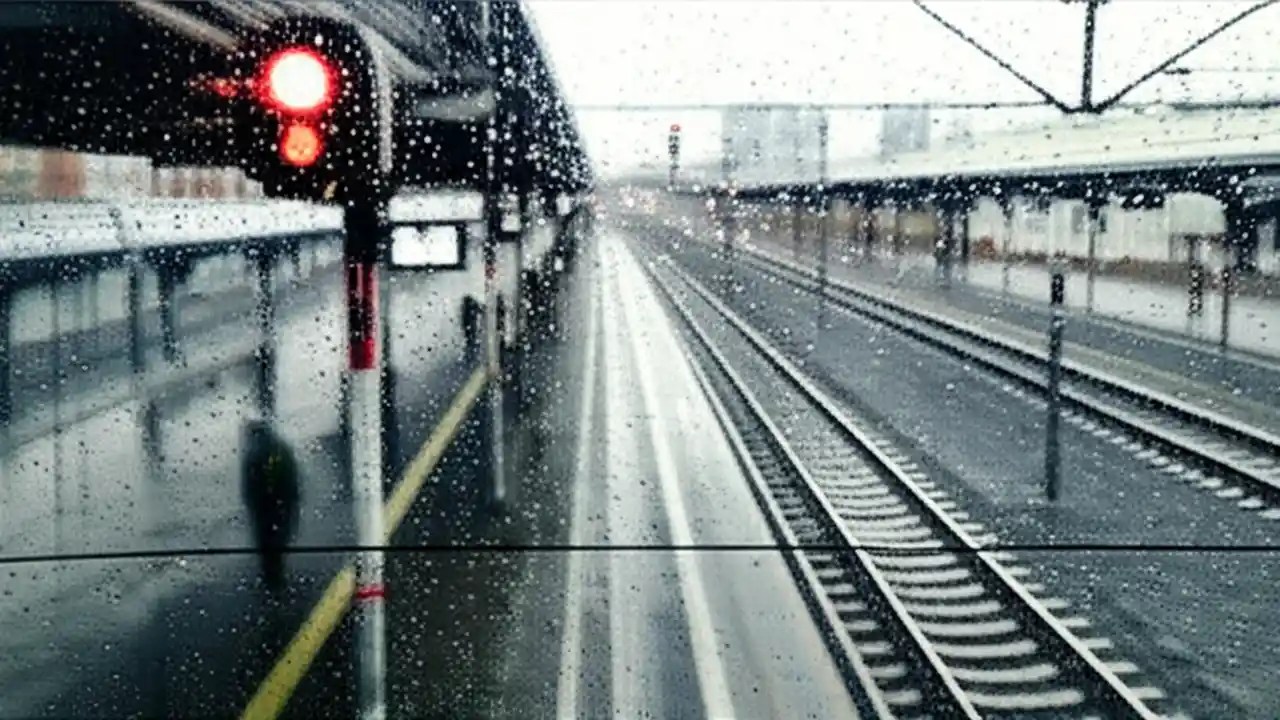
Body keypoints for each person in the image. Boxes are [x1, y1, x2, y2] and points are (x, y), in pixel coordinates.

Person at [240, 419, 300, 590]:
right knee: (279, 535)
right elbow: (292, 477)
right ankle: (276, 571)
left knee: (265, 538)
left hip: (263, 505)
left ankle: (271, 574)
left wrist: (250, 502)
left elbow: (249, 483)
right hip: (282, 502)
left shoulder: (253, 454)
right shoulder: (282, 448)